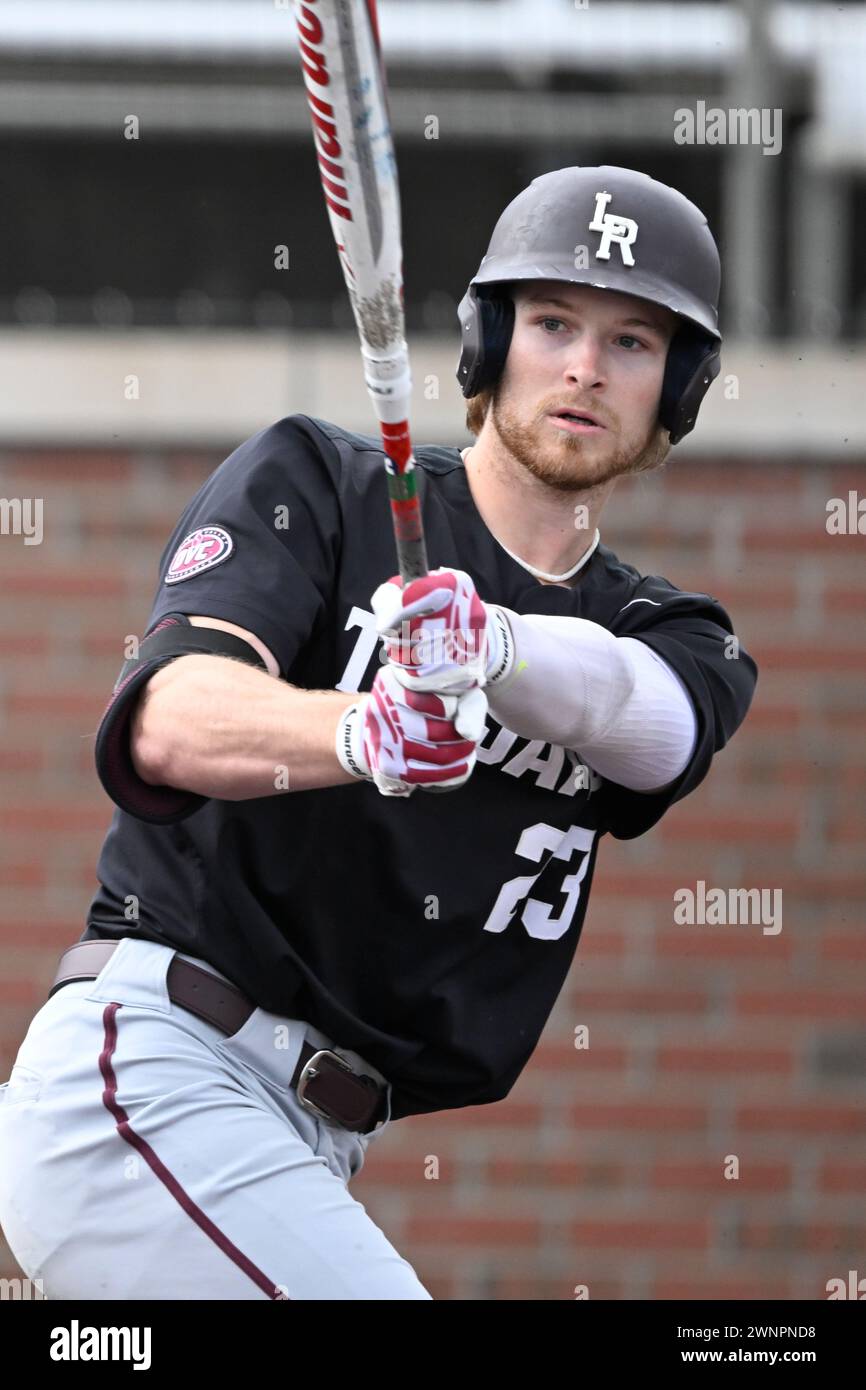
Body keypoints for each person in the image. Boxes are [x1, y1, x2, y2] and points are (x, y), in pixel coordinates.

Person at [0, 166, 757, 1300]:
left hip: (312, 1144)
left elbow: (638, 723)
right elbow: (168, 717)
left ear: (680, 387)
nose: (584, 367)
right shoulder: (320, 485)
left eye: (632, 342)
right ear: (489, 340)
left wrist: (494, 646)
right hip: (158, 1072)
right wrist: (364, 731)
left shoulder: (667, 632)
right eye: (551, 322)